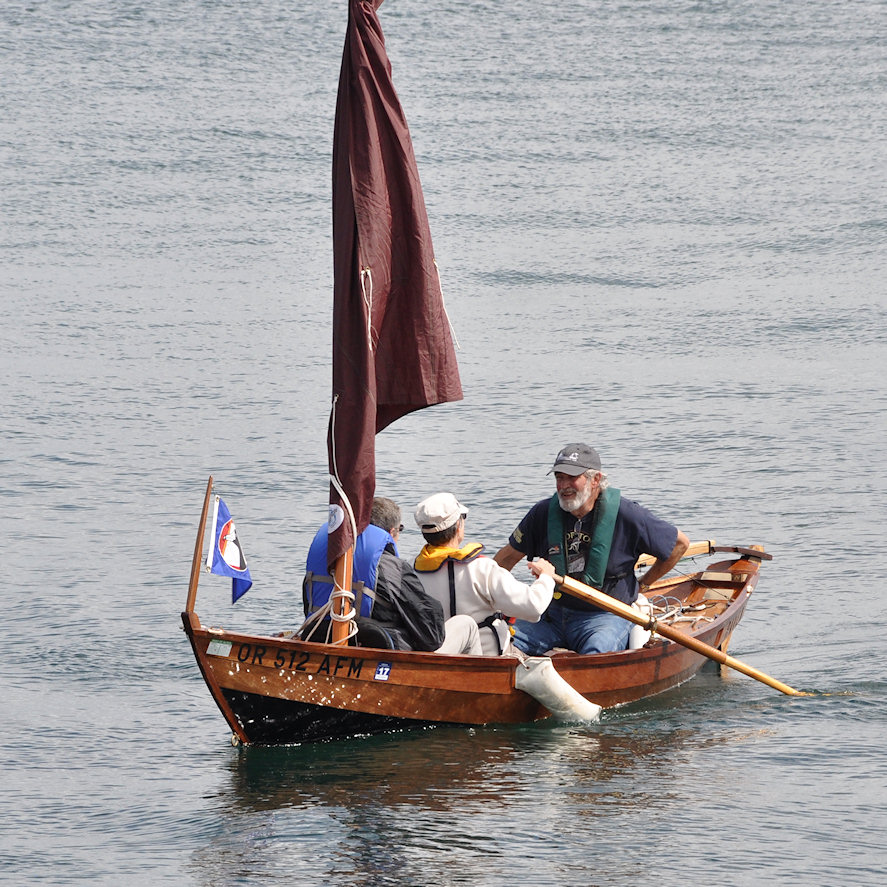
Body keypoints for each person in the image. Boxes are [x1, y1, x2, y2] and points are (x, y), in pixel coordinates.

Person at [493, 443, 690, 655]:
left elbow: (679, 544)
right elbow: (507, 557)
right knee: (497, 641)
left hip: (606, 616)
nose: (564, 485)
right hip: (550, 615)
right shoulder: (542, 513)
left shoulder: (627, 514)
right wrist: (484, 595)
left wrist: (644, 584)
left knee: (597, 651)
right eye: (559, 477)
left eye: (572, 478)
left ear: (595, 479)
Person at [303, 497, 481, 654]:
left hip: (321, 641)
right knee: (466, 624)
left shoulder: (327, 562)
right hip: (385, 656)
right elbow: (431, 636)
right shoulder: (394, 569)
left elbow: (309, 607)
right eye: (400, 530)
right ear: (391, 532)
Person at [412, 492, 556, 656]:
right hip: (489, 658)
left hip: (438, 654)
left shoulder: (411, 570)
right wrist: (546, 577)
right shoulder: (481, 568)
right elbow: (533, 607)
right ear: (459, 526)